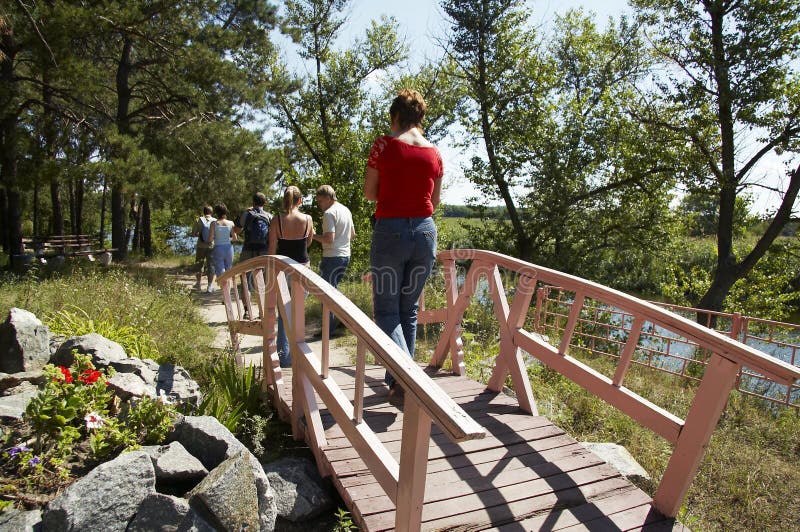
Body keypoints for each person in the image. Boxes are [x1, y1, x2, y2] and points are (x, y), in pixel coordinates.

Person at [364, 89, 443, 406]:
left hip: (390, 233)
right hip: (425, 234)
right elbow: (433, 203)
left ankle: (408, 379)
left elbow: (370, 193)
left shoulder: (384, 145)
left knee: (386, 310)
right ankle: (399, 383)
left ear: (396, 117)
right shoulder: (435, 154)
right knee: (408, 310)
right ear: (420, 118)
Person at [268, 186, 314, 367]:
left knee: (283, 314)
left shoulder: (277, 220)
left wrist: (270, 276)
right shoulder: (308, 219)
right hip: (302, 270)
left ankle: (284, 357)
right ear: (300, 200)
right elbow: (308, 242)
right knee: (298, 313)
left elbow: (272, 250)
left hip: (282, 270)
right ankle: (300, 355)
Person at [312, 185, 355, 336]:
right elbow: (352, 234)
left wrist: (313, 235)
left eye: (321, 201)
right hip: (345, 255)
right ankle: (344, 320)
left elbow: (328, 239)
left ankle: (328, 329)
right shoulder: (345, 210)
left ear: (329, 198)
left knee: (326, 294)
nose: (320, 205)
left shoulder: (329, 214)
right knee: (333, 291)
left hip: (332, 257)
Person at [208, 203, 237, 293]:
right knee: (229, 270)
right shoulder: (231, 223)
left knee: (220, 271)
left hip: (218, 248)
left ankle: (224, 293)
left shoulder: (214, 223)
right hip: (229, 248)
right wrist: (227, 238)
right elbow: (235, 238)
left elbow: (210, 239)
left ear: (216, 213)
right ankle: (227, 292)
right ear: (225, 211)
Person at [234, 192, 272, 261]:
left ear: (253, 202)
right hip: (263, 250)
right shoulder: (269, 216)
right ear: (264, 203)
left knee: (245, 270)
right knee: (261, 270)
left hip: (248, 249)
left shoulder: (246, 214)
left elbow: (236, 230)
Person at [190, 205, 216, 291]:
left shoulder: (198, 220)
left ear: (203, 212)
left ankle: (198, 284)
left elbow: (193, 234)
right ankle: (209, 286)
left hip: (201, 246)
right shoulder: (215, 221)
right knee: (211, 266)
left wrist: (200, 235)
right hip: (211, 246)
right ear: (211, 212)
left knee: (199, 265)